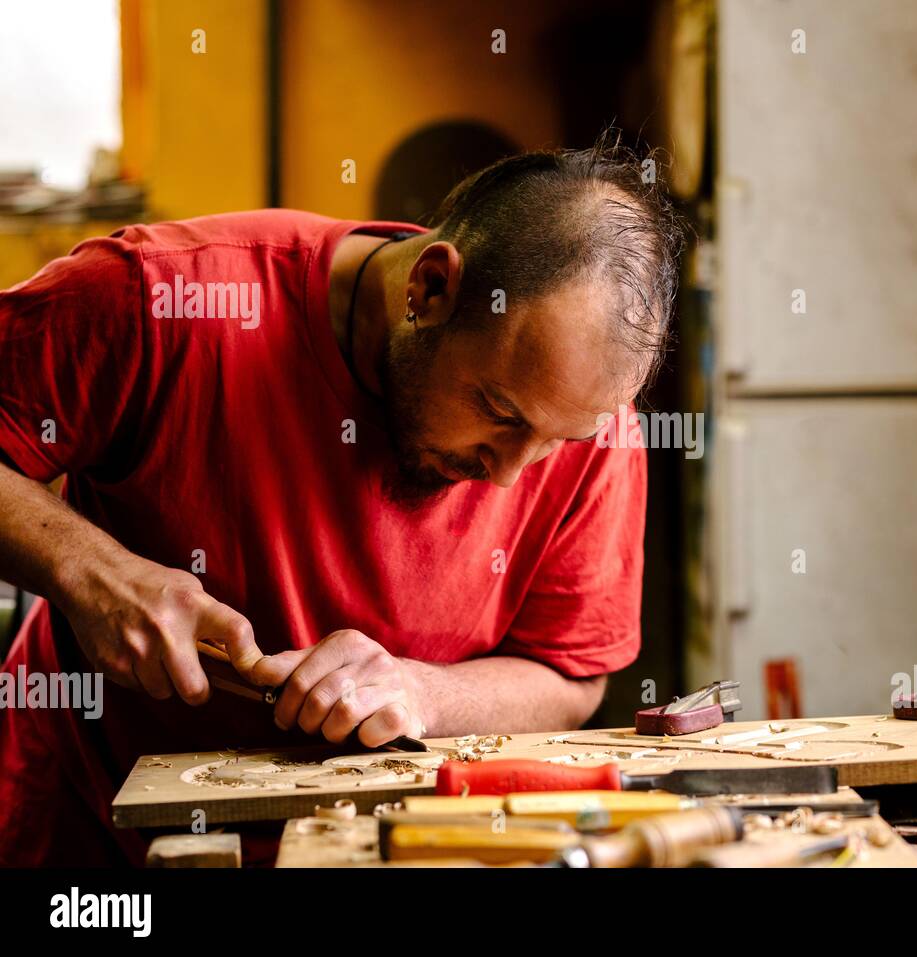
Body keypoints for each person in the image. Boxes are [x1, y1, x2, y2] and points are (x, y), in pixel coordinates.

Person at [0, 137, 686, 865]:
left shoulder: (593, 427)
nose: (513, 475)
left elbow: (570, 674)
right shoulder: (162, 299)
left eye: (559, 440)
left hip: (381, 845)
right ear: (429, 288)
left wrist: (422, 693)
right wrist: (88, 570)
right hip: (90, 832)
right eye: (499, 410)